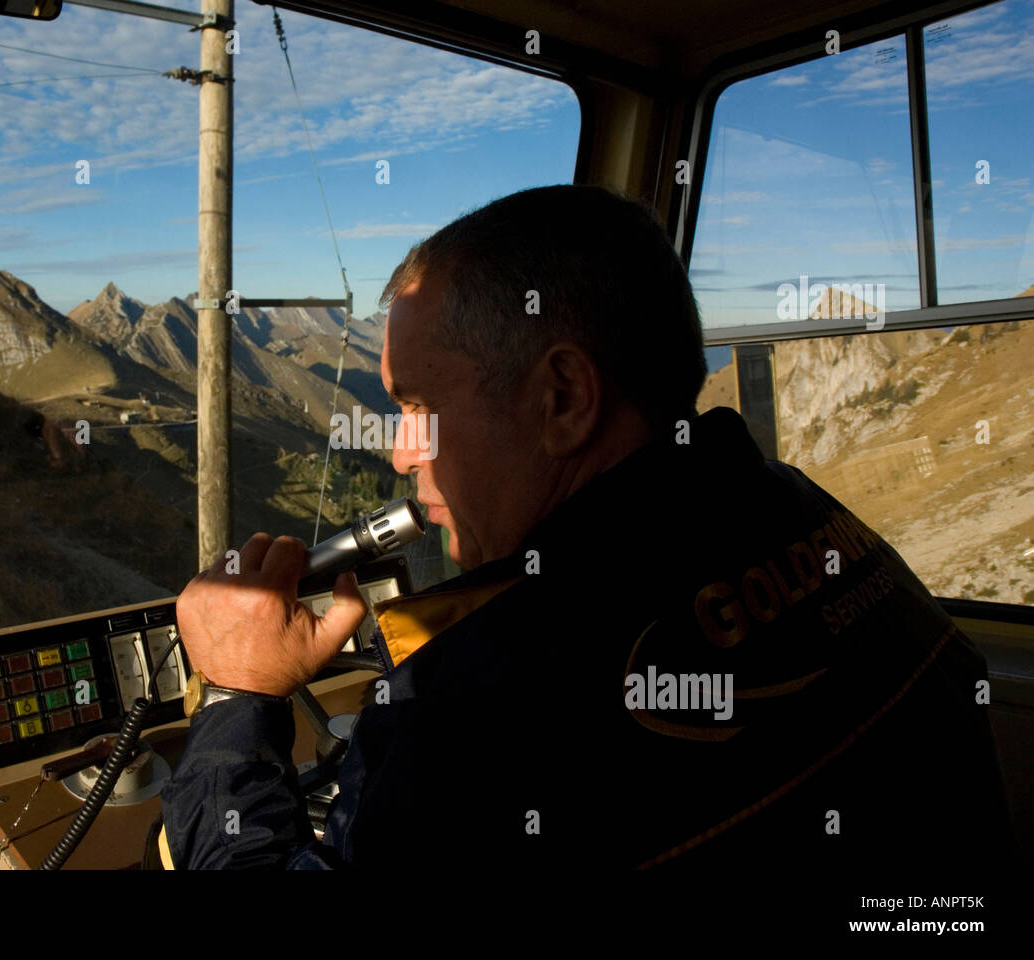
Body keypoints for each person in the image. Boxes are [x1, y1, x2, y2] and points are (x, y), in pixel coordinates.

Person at [159, 185, 1015, 875]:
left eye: (421, 407)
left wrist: (239, 700)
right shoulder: (811, 517)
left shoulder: (473, 722)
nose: (401, 454)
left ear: (563, 397)